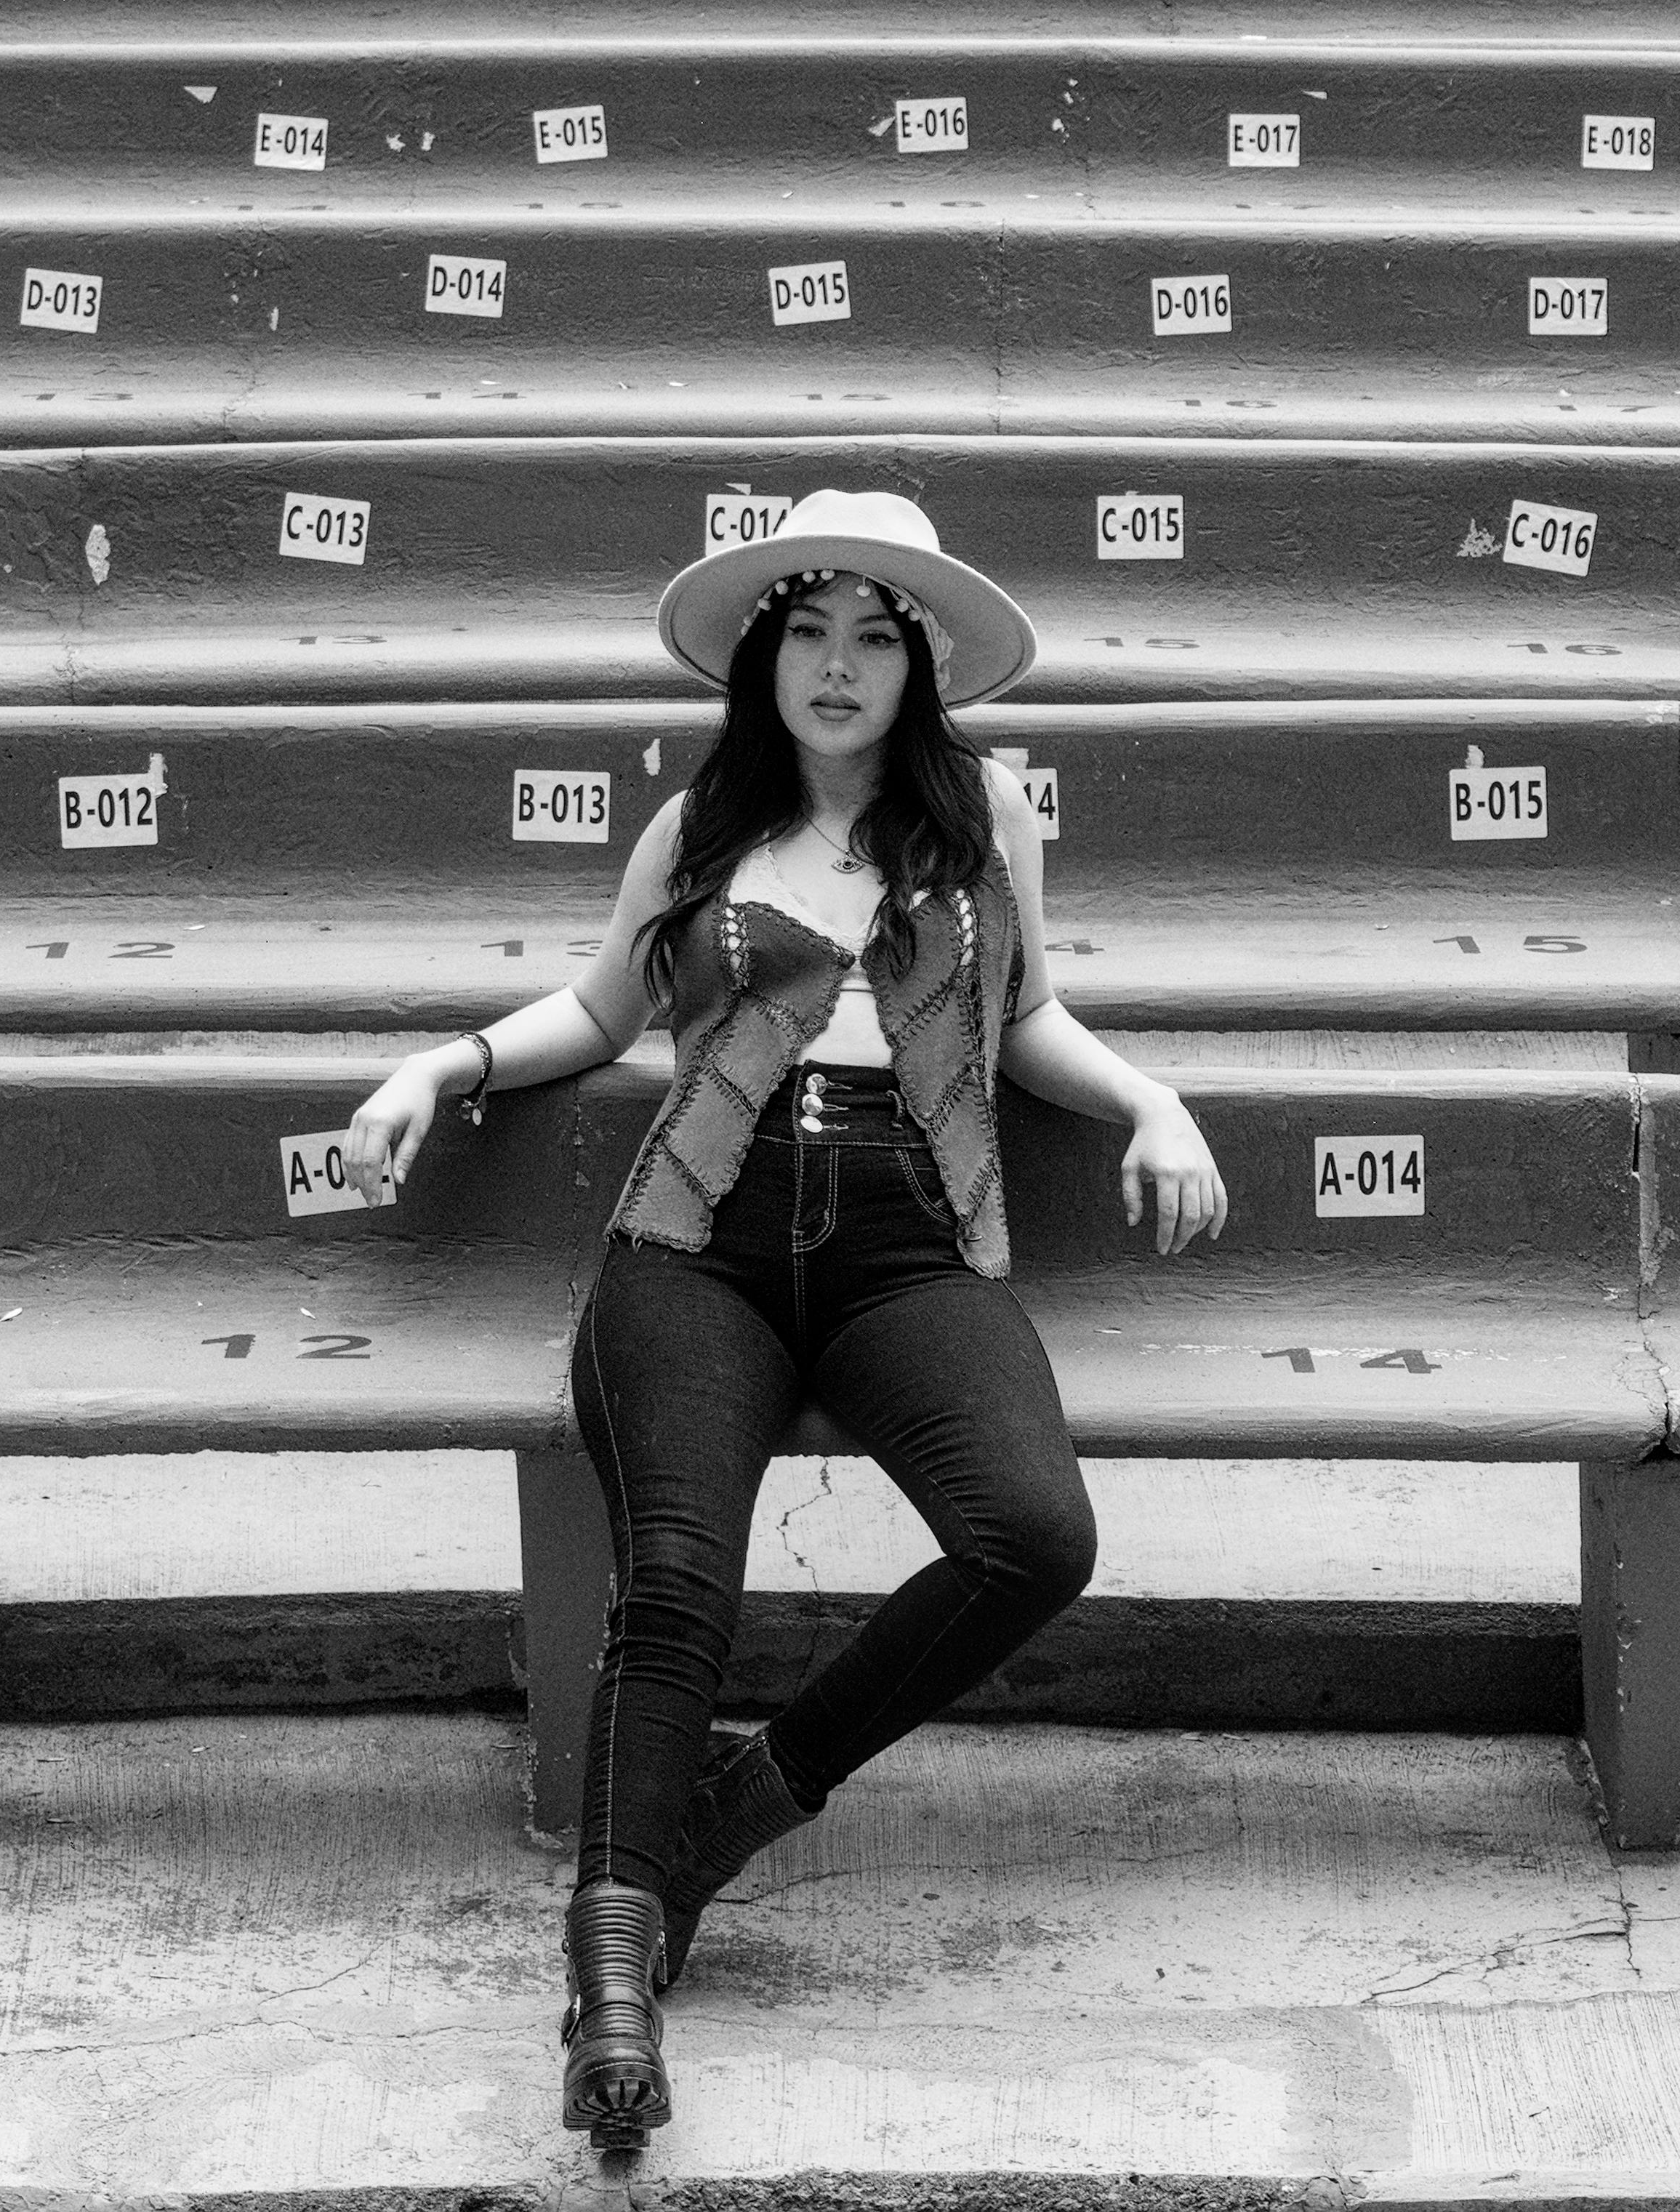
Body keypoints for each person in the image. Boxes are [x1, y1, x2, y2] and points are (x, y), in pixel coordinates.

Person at [344, 490, 1228, 2153]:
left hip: (909, 1243)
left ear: (922, 666)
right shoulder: (699, 823)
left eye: (875, 637)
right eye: (808, 632)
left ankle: (739, 1806)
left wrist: (1149, 1100)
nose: (838, 666)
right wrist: (441, 1059)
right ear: (765, 656)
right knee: (677, 1573)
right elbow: (605, 1005)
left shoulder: (987, 826)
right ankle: (613, 1984)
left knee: (1035, 1530)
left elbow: (1026, 1015)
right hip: (703, 1238)